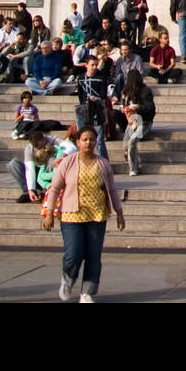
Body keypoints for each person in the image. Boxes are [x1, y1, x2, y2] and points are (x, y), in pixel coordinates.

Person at [43, 126, 124, 302]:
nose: (89, 143)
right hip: (71, 215)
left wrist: (119, 212)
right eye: (85, 139)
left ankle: (87, 292)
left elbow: (111, 189)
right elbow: (55, 188)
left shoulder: (103, 163)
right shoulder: (68, 162)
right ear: (78, 142)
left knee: (93, 255)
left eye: (92, 139)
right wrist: (49, 213)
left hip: (97, 214)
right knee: (74, 253)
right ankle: (68, 279)